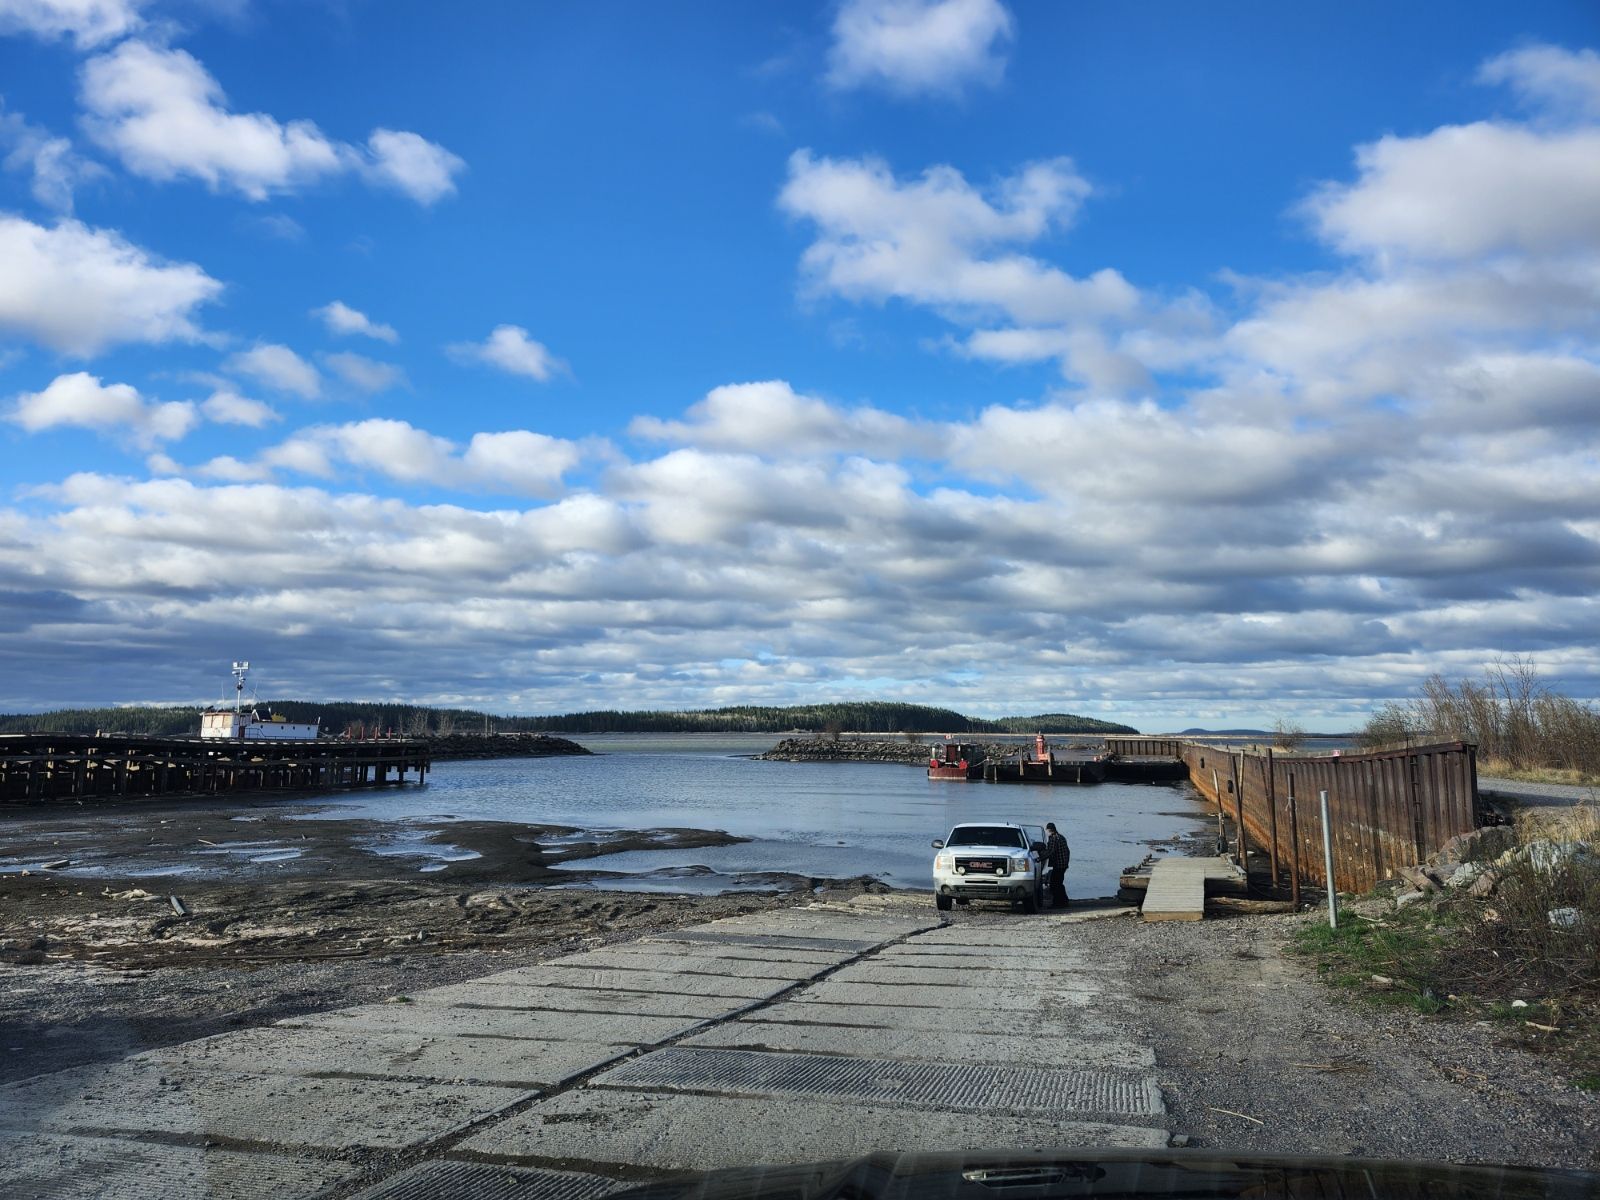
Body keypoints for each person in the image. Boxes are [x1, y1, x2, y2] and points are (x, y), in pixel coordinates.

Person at [1043, 821, 1070, 907]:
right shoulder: (1061, 837)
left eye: (1047, 830)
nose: (1046, 832)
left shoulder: (1053, 838)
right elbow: (1068, 851)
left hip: (1058, 865)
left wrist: (1040, 858)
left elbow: (1050, 852)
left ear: (1049, 830)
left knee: (1054, 884)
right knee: (1059, 883)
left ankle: (1057, 903)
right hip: (1063, 865)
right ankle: (1064, 901)